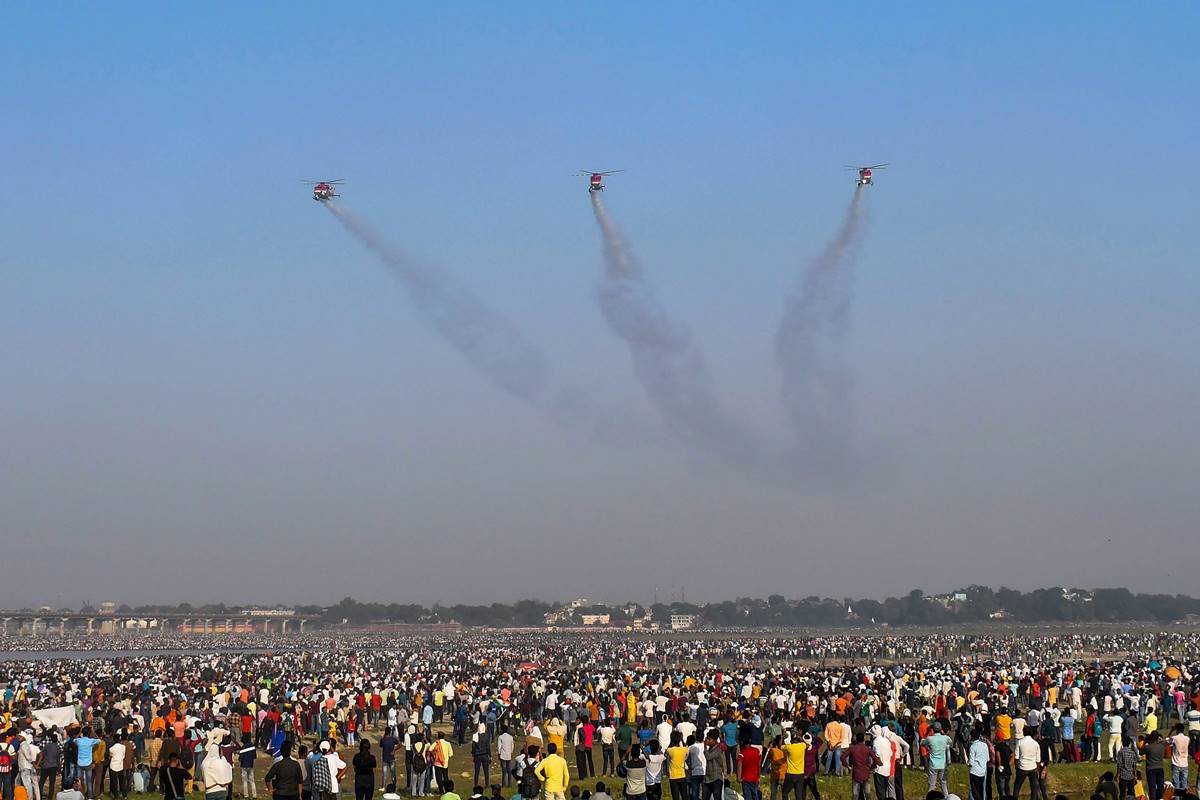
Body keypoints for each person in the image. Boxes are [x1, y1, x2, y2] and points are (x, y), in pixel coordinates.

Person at [922, 722, 951, 799]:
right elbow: (950, 741)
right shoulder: (945, 738)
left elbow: (922, 743)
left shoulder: (930, 739)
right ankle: (947, 797)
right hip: (943, 765)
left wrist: (926, 733)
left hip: (933, 765)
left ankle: (929, 798)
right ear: (941, 729)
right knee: (944, 784)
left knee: (931, 785)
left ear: (932, 729)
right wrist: (943, 733)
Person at [1013, 729, 1042, 800]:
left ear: (1023, 732)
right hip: (1033, 768)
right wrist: (1037, 769)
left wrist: (1017, 767)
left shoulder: (1020, 742)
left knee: (1017, 787)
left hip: (1022, 767)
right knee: (1034, 788)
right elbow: (1038, 759)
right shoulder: (1035, 743)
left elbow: (1016, 757)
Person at [968, 731, 989, 800]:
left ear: (972, 737)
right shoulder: (985, 745)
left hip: (974, 771)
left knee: (974, 791)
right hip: (983, 771)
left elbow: (971, 762)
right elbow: (987, 759)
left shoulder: (973, 746)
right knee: (981, 790)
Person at [1144, 732, 1166, 800]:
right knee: (1160, 786)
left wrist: (1146, 742)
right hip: (1160, 767)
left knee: (1152, 787)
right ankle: (1160, 798)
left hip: (1150, 768)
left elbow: (1140, 752)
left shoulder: (1148, 747)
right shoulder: (1162, 746)